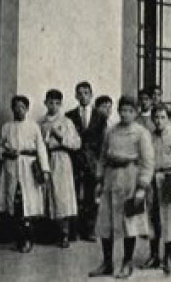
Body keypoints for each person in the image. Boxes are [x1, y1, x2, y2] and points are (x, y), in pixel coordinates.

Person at [89, 95, 154, 279]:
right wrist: (99, 180)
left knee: (129, 223)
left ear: (136, 112)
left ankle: (127, 262)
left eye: (130, 111)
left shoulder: (141, 133)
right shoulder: (111, 131)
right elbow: (102, 157)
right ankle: (107, 263)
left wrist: (142, 187)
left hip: (130, 180)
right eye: (123, 110)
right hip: (111, 179)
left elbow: (148, 162)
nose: (125, 114)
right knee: (105, 223)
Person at [0, 95, 51, 253]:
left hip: (29, 166)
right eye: (16, 107)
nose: (19, 110)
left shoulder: (33, 126)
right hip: (12, 166)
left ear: (27, 109)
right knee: (15, 202)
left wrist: (45, 170)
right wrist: (5, 152)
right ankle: (19, 238)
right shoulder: (7, 127)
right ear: (12, 108)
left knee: (29, 203)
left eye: (22, 107)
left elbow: (41, 148)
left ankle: (28, 238)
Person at [144, 104, 171, 274]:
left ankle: (168, 255)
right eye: (156, 117)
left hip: (170, 178)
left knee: (169, 219)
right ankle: (154, 255)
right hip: (153, 179)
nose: (159, 121)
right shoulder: (148, 137)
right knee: (153, 218)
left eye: (163, 117)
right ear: (152, 119)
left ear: (168, 119)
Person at [38, 89, 81, 248]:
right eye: (50, 103)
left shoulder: (66, 122)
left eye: (57, 103)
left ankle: (65, 234)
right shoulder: (41, 122)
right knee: (47, 195)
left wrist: (60, 136)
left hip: (61, 159)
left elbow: (76, 143)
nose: (53, 106)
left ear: (61, 104)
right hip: (46, 158)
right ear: (45, 103)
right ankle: (50, 233)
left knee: (62, 196)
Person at [66, 81, 107, 241]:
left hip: (92, 161)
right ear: (76, 96)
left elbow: (102, 141)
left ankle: (89, 230)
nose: (83, 96)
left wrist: (98, 162)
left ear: (91, 95)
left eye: (86, 93)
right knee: (74, 194)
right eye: (80, 93)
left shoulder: (100, 116)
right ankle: (73, 231)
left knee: (91, 197)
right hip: (75, 160)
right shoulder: (69, 116)